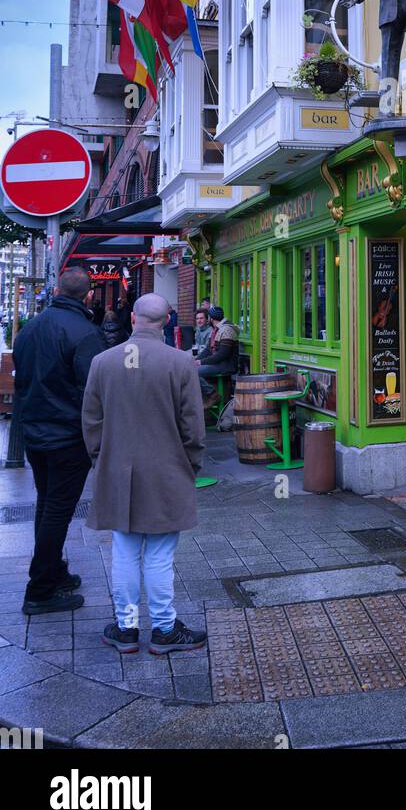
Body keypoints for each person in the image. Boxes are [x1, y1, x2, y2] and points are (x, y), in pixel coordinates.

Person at [81, 293, 207, 655]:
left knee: (124, 551)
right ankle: (165, 629)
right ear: (167, 321)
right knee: (159, 555)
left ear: (133, 319)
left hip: (117, 469)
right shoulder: (180, 363)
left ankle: (127, 627)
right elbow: (193, 427)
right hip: (167, 470)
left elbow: (91, 420)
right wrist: (190, 464)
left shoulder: (102, 362)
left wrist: (101, 458)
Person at [13, 267, 107, 615]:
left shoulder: (30, 329)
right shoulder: (85, 333)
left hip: (35, 433)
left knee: (47, 504)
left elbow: (23, 379)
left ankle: (54, 572)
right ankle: (40, 589)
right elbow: (93, 392)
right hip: (67, 436)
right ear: (88, 295)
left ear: (56, 290)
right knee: (57, 510)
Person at [195, 305, 240, 406]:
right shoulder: (217, 329)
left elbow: (222, 354)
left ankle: (212, 394)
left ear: (211, 318)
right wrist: (195, 361)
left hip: (225, 366)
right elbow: (207, 350)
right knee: (190, 367)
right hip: (218, 364)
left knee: (193, 371)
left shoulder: (227, 329)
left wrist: (201, 362)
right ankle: (199, 401)